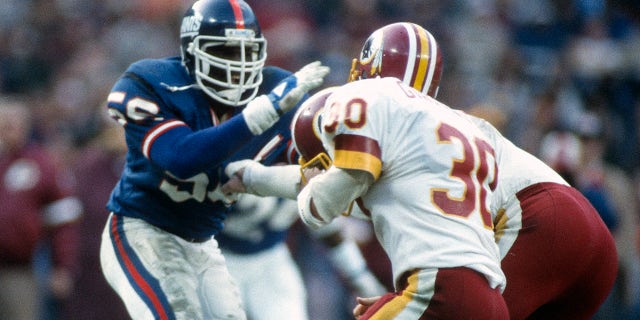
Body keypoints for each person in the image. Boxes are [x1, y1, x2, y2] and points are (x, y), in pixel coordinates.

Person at [346, 22, 617, 319]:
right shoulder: (442, 126)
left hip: (542, 223)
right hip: (587, 235)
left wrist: (414, 303)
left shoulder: (401, 141)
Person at [98, 0, 329, 319]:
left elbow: (295, 170)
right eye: (227, 52)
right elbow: (181, 158)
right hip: (144, 233)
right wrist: (258, 115)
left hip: (203, 244)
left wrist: (327, 170)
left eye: (248, 52)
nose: (240, 64)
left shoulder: (276, 91)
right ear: (192, 51)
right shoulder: (155, 82)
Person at [225, 80, 509, 319]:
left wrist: (254, 179)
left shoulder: (372, 169)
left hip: (440, 288)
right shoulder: (426, 158)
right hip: (488, 291)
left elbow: (318, 208)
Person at [0, 97, 83, 320]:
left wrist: (63, 266)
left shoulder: (41, 163)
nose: (10, 128)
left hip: (21, 269)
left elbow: (64, 219)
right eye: (5, 122)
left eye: (15, 122)